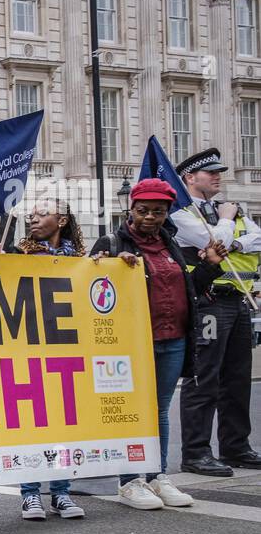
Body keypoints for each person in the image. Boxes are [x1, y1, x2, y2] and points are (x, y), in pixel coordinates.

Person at [89, 178, 228, 510]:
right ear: (131, 209)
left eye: (159, 211)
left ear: (167, 214)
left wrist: (209, 265)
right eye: (143, 210)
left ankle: (156, 475)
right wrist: (109, 264)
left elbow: (189, 289)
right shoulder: (111, 242)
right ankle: (130, 481)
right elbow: (91, 286)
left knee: (159, 411)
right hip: (132, 344)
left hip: (173, 338)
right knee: (133, 411)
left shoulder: (171, 246)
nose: (150, 217)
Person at [170, 148, 261, 476]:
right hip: (207, 302)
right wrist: (226, 221)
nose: (219, 177)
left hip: (237, 300)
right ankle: (196, 452)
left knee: (237, 378)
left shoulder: (232, 210)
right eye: (211, 173)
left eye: (219, 172)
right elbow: (211, 242)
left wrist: (234, 240)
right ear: (190, 178)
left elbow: (257, 238)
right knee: (203, 377)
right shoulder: (180, 211)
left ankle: (236, 447)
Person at [0, 201, 88, 521]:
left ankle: (61, 493)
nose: (33, 218)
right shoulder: (18, 253)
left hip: (64, 351)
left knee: (62, 426)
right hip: (27, 349)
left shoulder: (81, 260)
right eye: (31, 214)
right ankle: (30, 494)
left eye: (42, 213)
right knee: (32, 426)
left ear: (62, 220)